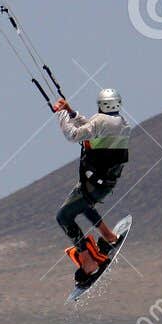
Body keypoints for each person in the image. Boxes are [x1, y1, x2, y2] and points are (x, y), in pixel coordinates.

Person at [53, 87, 130, 280]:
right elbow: (92, 128)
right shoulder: (122, 123)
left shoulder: (100, 121)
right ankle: (109, 237)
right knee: (84, 206)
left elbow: (73, 135)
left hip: (92, 187)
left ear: (101, 105)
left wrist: (61, 114)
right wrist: (71, 112)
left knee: (63, 217)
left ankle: (89, 263)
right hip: (105, 185)